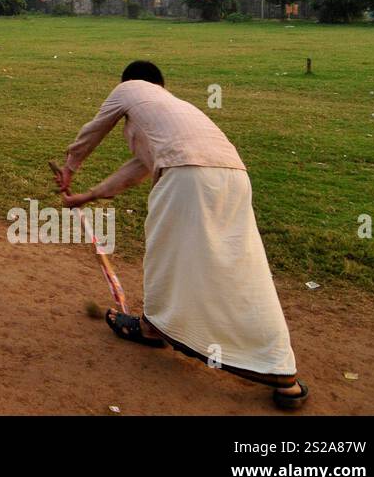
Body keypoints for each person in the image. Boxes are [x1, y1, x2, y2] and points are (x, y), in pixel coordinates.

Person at [52, 60, 307, 410]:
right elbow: (138, 170)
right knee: (242, 270)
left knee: (164, 254)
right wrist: (87, 196)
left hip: (187, 176)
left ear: (133, 81)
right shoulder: (173, 115)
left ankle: (152, 328)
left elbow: (94, 129)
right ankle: (283, 373)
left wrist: (69, 168)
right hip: (233, 178)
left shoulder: (130, 88)